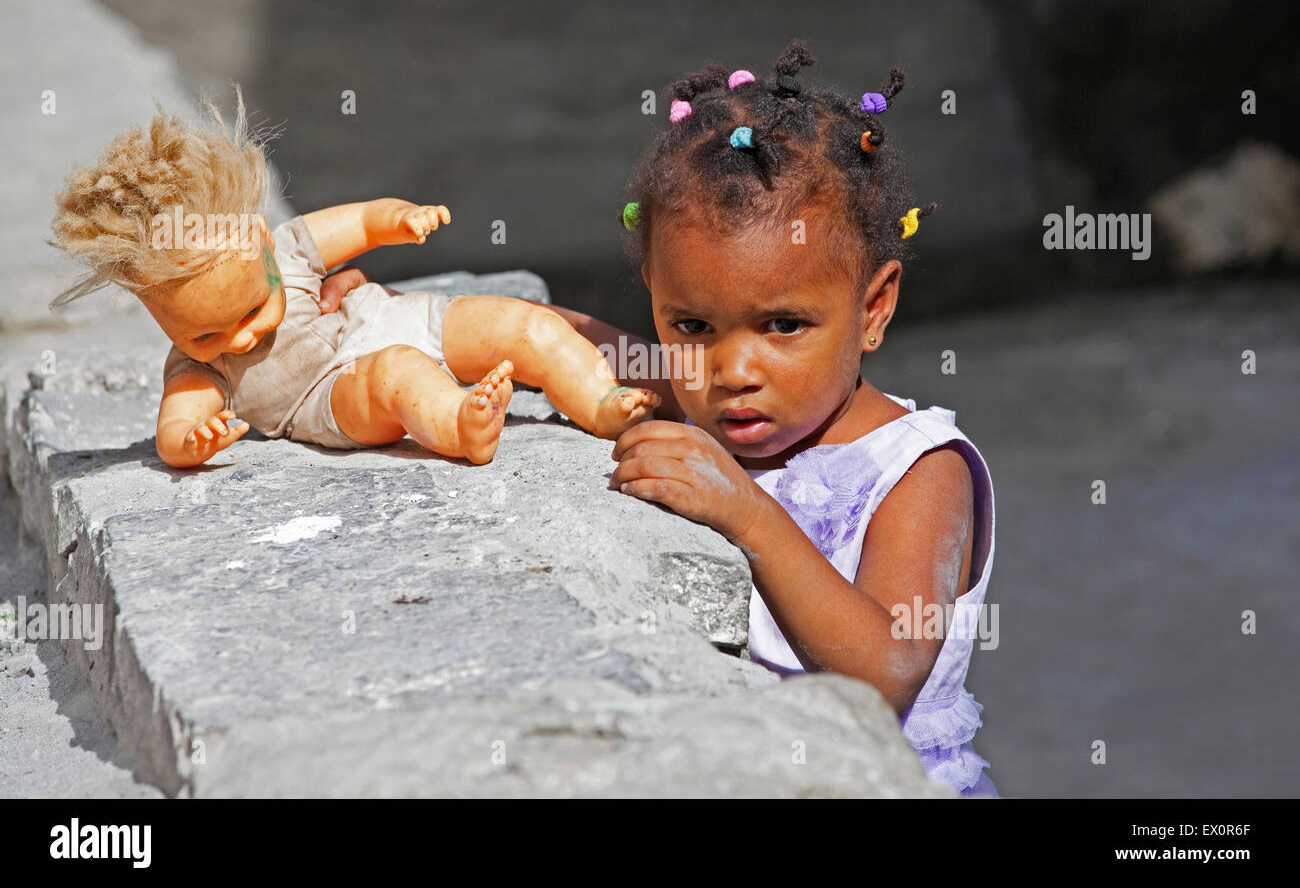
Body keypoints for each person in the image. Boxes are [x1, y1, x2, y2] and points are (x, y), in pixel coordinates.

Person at [314, 40, 999, 796]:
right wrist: (382, 317)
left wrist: (745, 513)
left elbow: (887, 672)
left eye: (783, 326)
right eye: (692, 326)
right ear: (652, 292)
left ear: (874, 307)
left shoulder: (919, 470)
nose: (734, 372)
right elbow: (552, 337)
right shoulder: (693, 387)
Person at [47, 94, 658, 468]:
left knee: (522, 323)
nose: (236, 341)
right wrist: (195, 440)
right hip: (333, 394)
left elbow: (362, 221)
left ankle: (600, 402)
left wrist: (402, 219)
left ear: (260, 241)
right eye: (206, 336)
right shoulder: (197, 369)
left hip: (391, 316)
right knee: (396, 374)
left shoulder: (285, 247)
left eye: (253, 309)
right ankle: (460, 426)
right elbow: (174, 432)